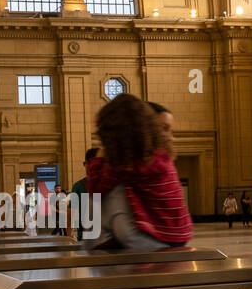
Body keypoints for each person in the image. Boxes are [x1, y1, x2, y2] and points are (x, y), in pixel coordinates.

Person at [87, 93, 193, 251]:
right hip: (180, 233)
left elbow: (95, 189)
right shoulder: (159, 153)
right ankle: (98, 240)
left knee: (109, 192)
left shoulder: (128, 164)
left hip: (152, 241)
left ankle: (97, 241)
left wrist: (100, 156)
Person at [68, 149, 98, 240]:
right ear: (86, 164)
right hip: (86, 235)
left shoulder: (107, 184)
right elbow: (70, 212)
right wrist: (69, 235)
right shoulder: (78, 186)